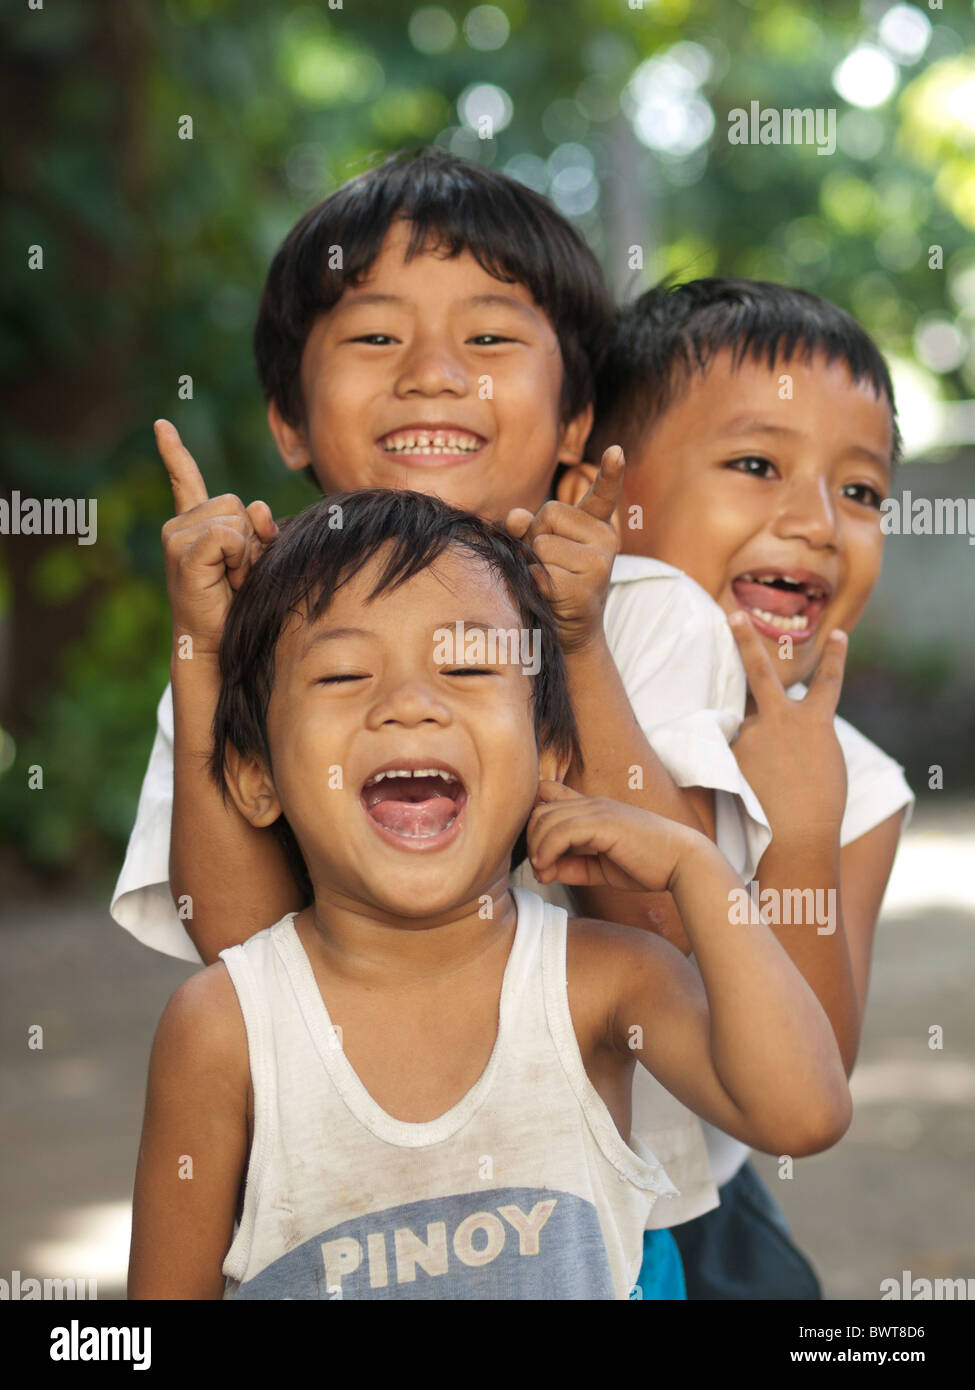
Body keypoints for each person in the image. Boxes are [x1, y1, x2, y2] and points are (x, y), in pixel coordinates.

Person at [113, 151, 773, 1273]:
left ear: (575, 418)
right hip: (363, 1228)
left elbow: (669, 933)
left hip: (644, 1215)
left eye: (490, 338)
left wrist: (574, 639)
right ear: (287, 418)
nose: (430, 373)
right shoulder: (255, 631)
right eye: (374, 337)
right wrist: (206, 655)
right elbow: (240, 947)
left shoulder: (652, 614)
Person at [127, 488, 852, 1301]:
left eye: (467, 666)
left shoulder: (605, 983)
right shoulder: (222, 1029)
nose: (408, 703)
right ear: (256, 777)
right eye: (343, 672)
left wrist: (697, 867)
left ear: (548, 755)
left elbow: (804, 1115)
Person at [550, 276, 914, 1298]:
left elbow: (809, 1080)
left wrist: (800, 828)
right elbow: (649, 923)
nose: (816, 523)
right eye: (757, 464)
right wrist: (580, 645)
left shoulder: (864, 787)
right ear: (598, 496)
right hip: (519, 1210)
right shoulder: (519, 666)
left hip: (699, 1207)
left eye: (861, 490)